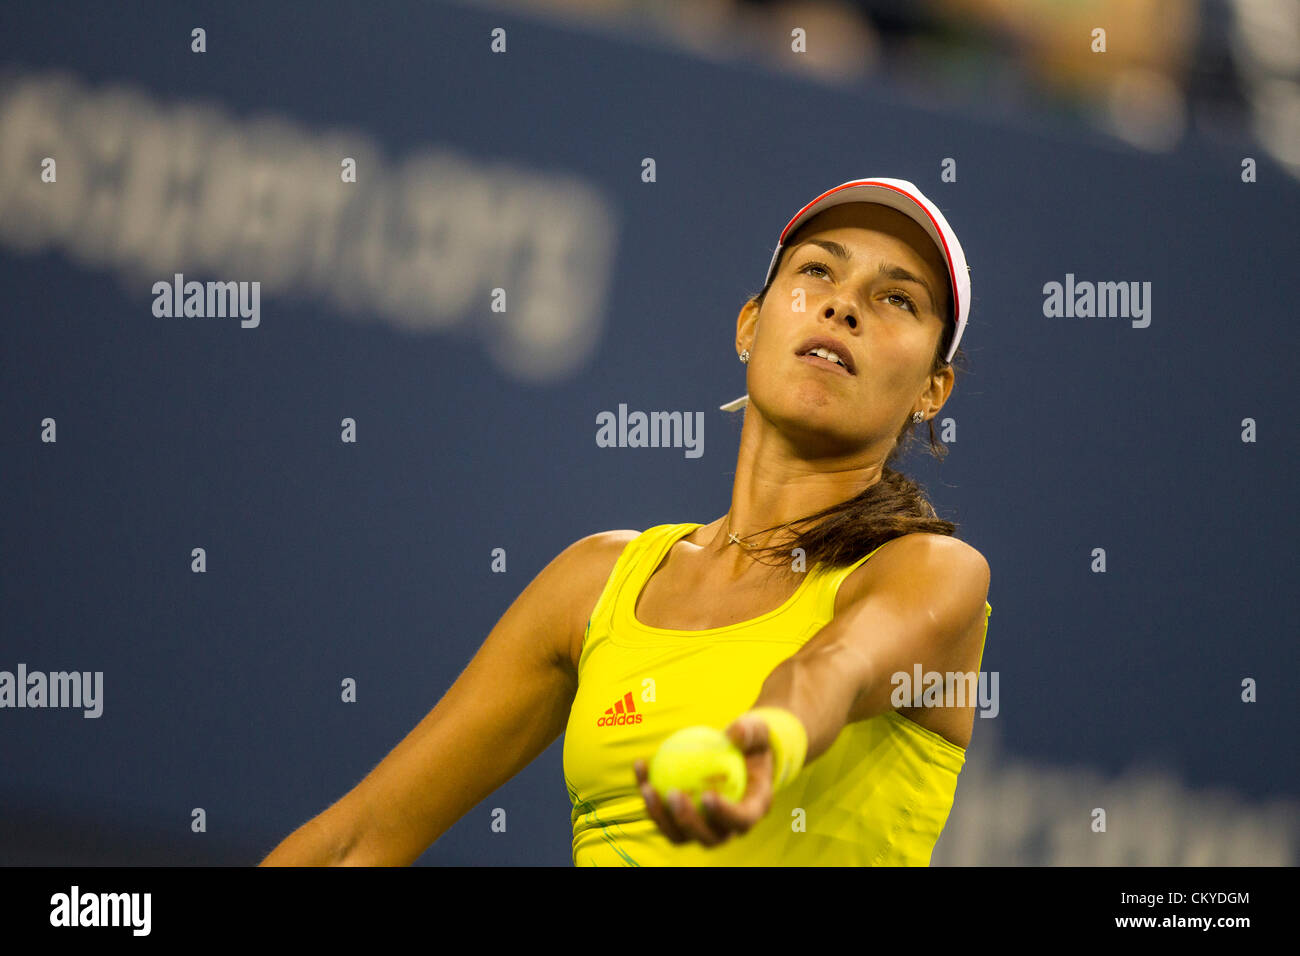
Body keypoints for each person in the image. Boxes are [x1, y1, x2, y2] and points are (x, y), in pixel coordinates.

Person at [259, 177, 991, 867]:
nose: (844, 306)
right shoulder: (594, 583)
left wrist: (771, 736)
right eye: (816, 273)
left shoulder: (932, 572)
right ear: (749, 324)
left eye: (897, 299)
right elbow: (358, 842)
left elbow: (835, 668)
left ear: (934, 389)